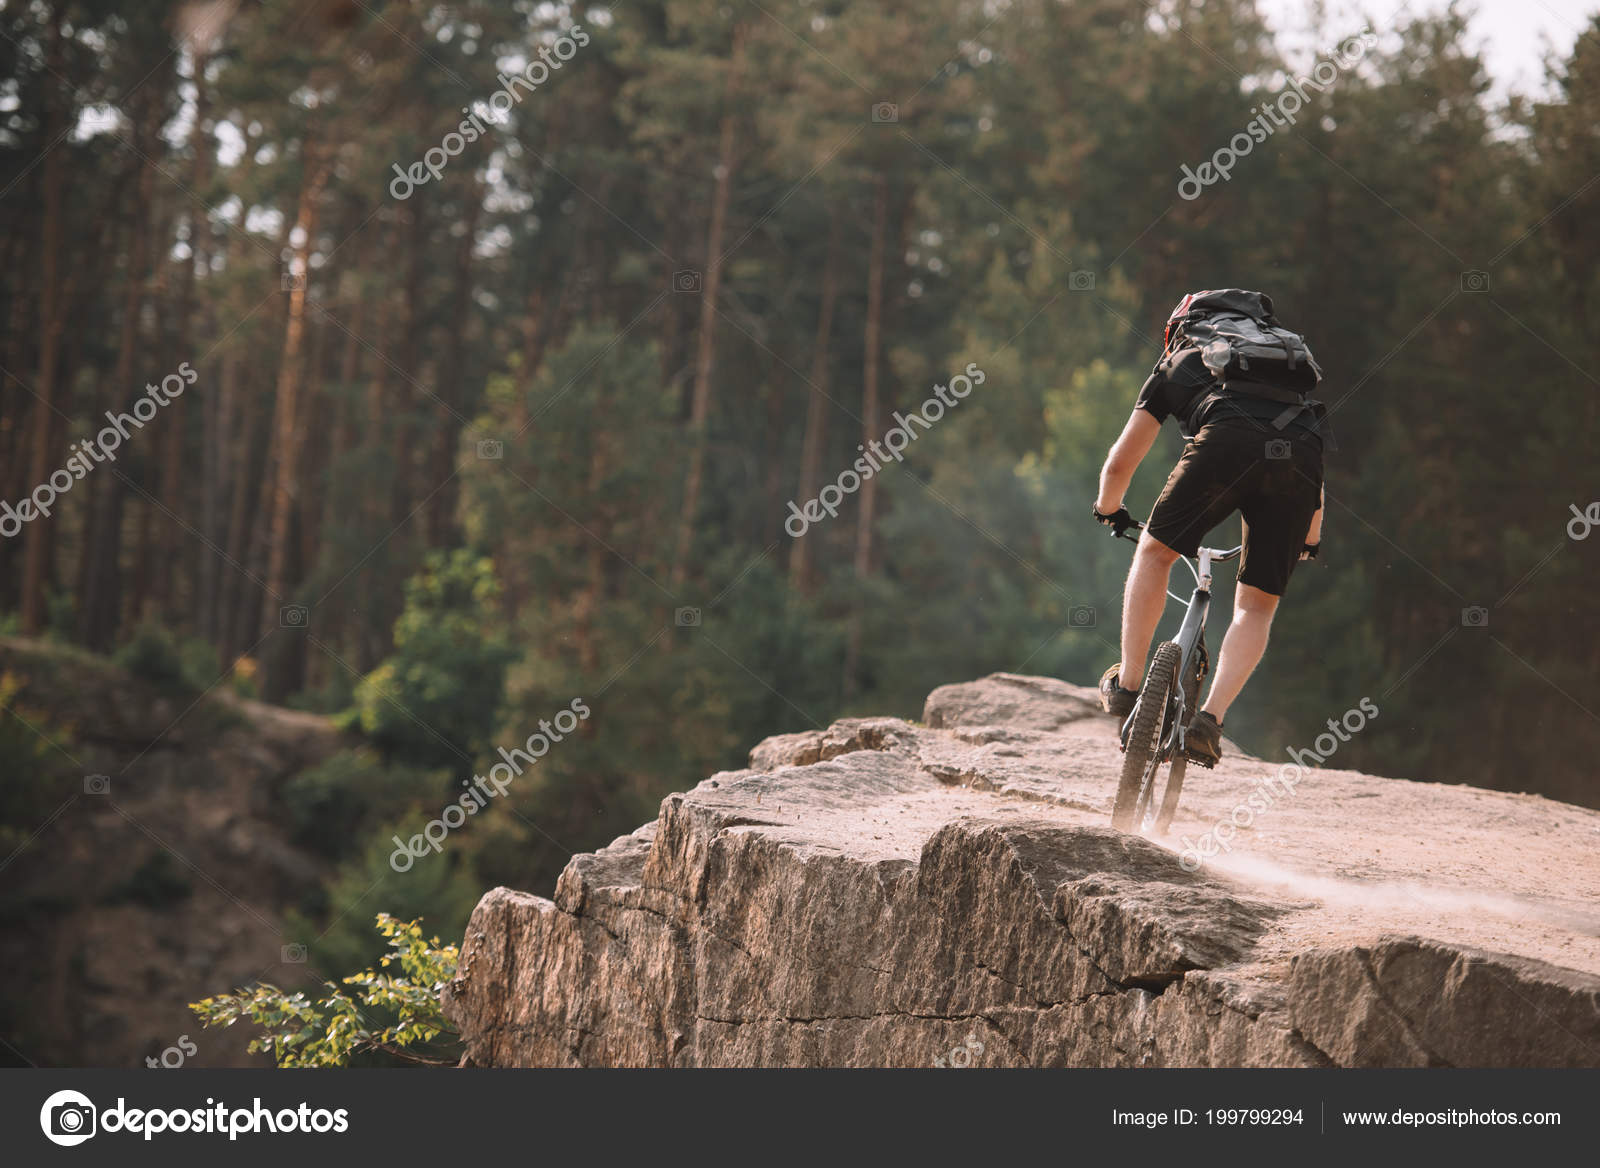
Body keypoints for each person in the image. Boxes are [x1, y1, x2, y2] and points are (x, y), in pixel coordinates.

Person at [1090, 290, 1326, 767]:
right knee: (1257, 606)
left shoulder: (1180, 359)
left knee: (1156, 555)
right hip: (1299, 457)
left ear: (1183, 326)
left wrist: (1109, 509)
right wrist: (1311, 539)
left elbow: (1119, 465)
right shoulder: (1283, 365)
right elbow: (1314, 463)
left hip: (1225, 445)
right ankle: (1210, 723)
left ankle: (1130, 686)